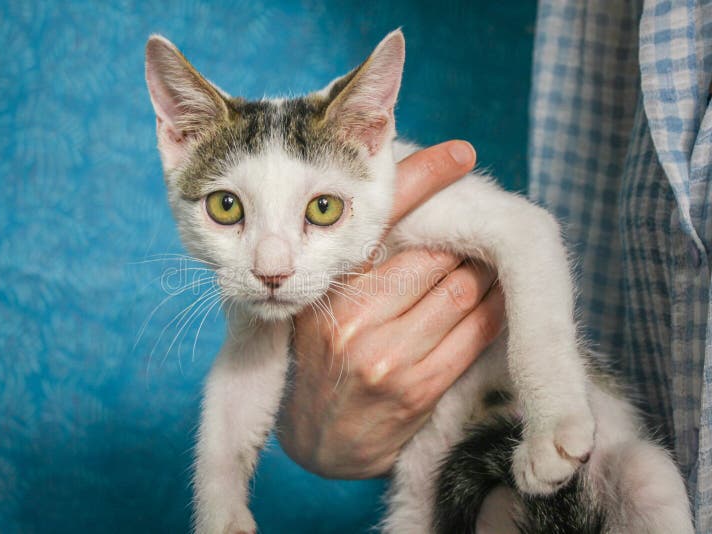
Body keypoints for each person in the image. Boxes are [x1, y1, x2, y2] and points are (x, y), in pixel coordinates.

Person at [277, 1, 712, 530]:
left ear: (375, 127)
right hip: (450, 460)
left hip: (583, 442)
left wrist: (550, 404)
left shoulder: (388, 181)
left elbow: (528, 232)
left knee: (646, 477)